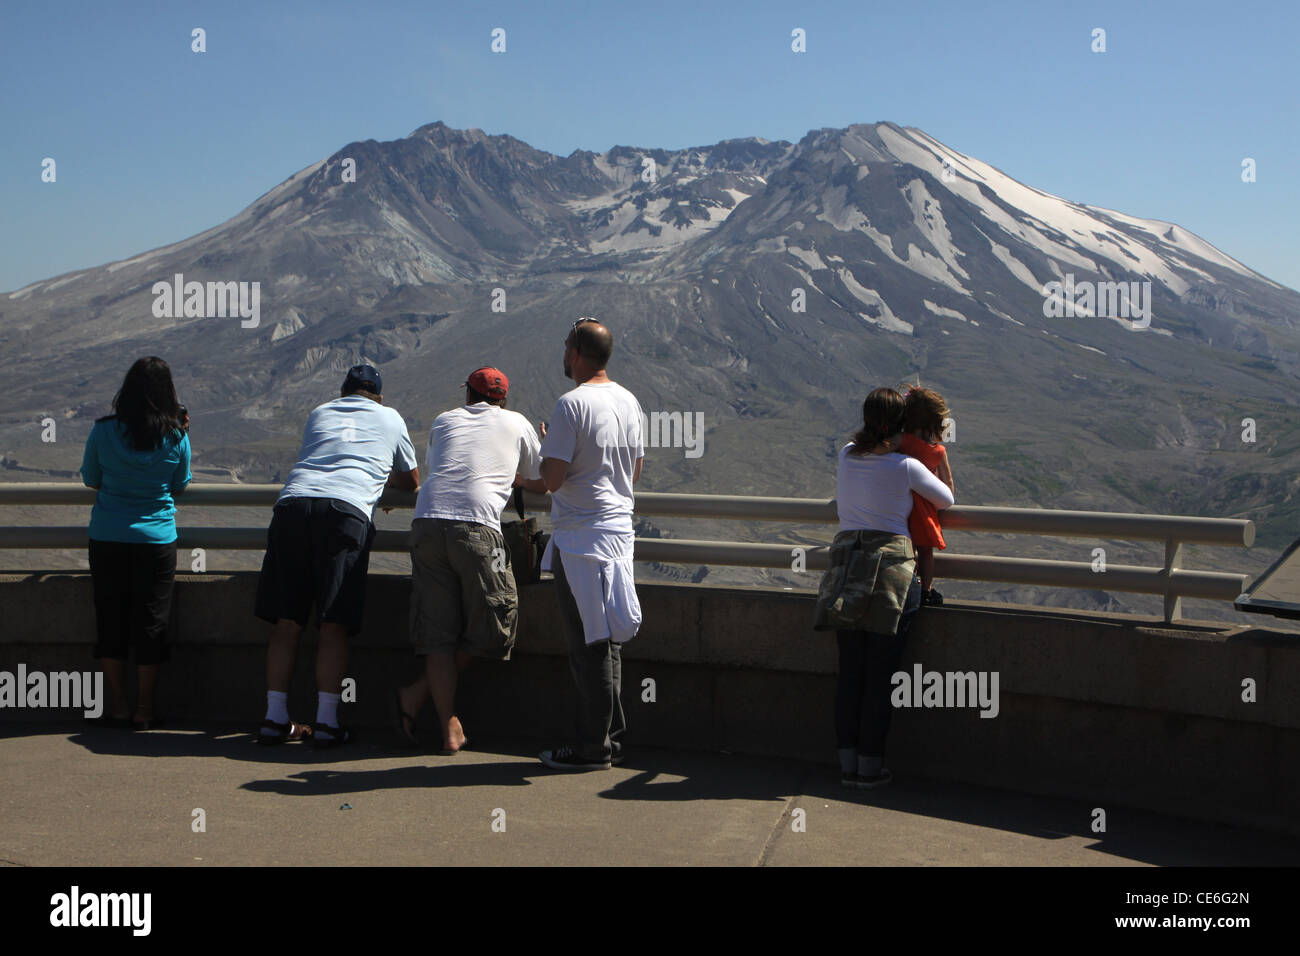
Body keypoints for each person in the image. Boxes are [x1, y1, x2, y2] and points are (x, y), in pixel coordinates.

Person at [253, 364, 419, 747]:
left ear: (343, 392)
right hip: (345, 512)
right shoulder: (390, 418)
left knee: (286, 621)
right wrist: (377, 479)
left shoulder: (320, 412)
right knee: (334, 623)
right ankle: (327, 722)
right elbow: (410, 480)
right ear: (378, 396)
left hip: (293, 506)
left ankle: (274, 718)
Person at [394, 367, 544, 753]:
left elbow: (440, 468)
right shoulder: (518, 423)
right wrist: (522, 480)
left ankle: (441, 720)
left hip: (427, 523)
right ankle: (431, 709)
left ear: (468, 396)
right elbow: (543, 479)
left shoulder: (445, 421)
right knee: (499, 619)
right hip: (479, 530)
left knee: (437, 634)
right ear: (503, 398)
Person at [812, 387, 954, 788]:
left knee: (851, 674)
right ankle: (871, 768)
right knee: (880, 678)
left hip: (845, 572)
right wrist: (940, 456)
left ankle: (847, 765)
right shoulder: (906, 466)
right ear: (901, 426)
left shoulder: (845, 455)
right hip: (890, 575)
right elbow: (945, 500)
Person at [537, 318, 644, 771]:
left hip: (581, 540)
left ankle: (591, 748)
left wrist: (547, 450)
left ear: (577, 353)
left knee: (588, 646)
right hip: (619, 535)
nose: (564, 355)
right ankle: (609, 739)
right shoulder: (630, 401)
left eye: (566, 347)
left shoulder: (570, 405)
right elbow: (634, 473)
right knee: (609, 641)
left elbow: (553, 479)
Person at [80, 356, 191, 731]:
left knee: (110, 620)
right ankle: (145, 708)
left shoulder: (102, 431)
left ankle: (118, 706)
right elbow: (180, 484)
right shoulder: (176, 436)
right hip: (156, 541)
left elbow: (90, 479)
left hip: (108, 536)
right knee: (151, 624)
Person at [899, 386, 955, 605]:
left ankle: (906, 586)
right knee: (925, 551)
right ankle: (926, 590)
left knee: (906, 550)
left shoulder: (899, 443)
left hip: (900, 503)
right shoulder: (938, 452)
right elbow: (948, 486)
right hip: (924, 509)